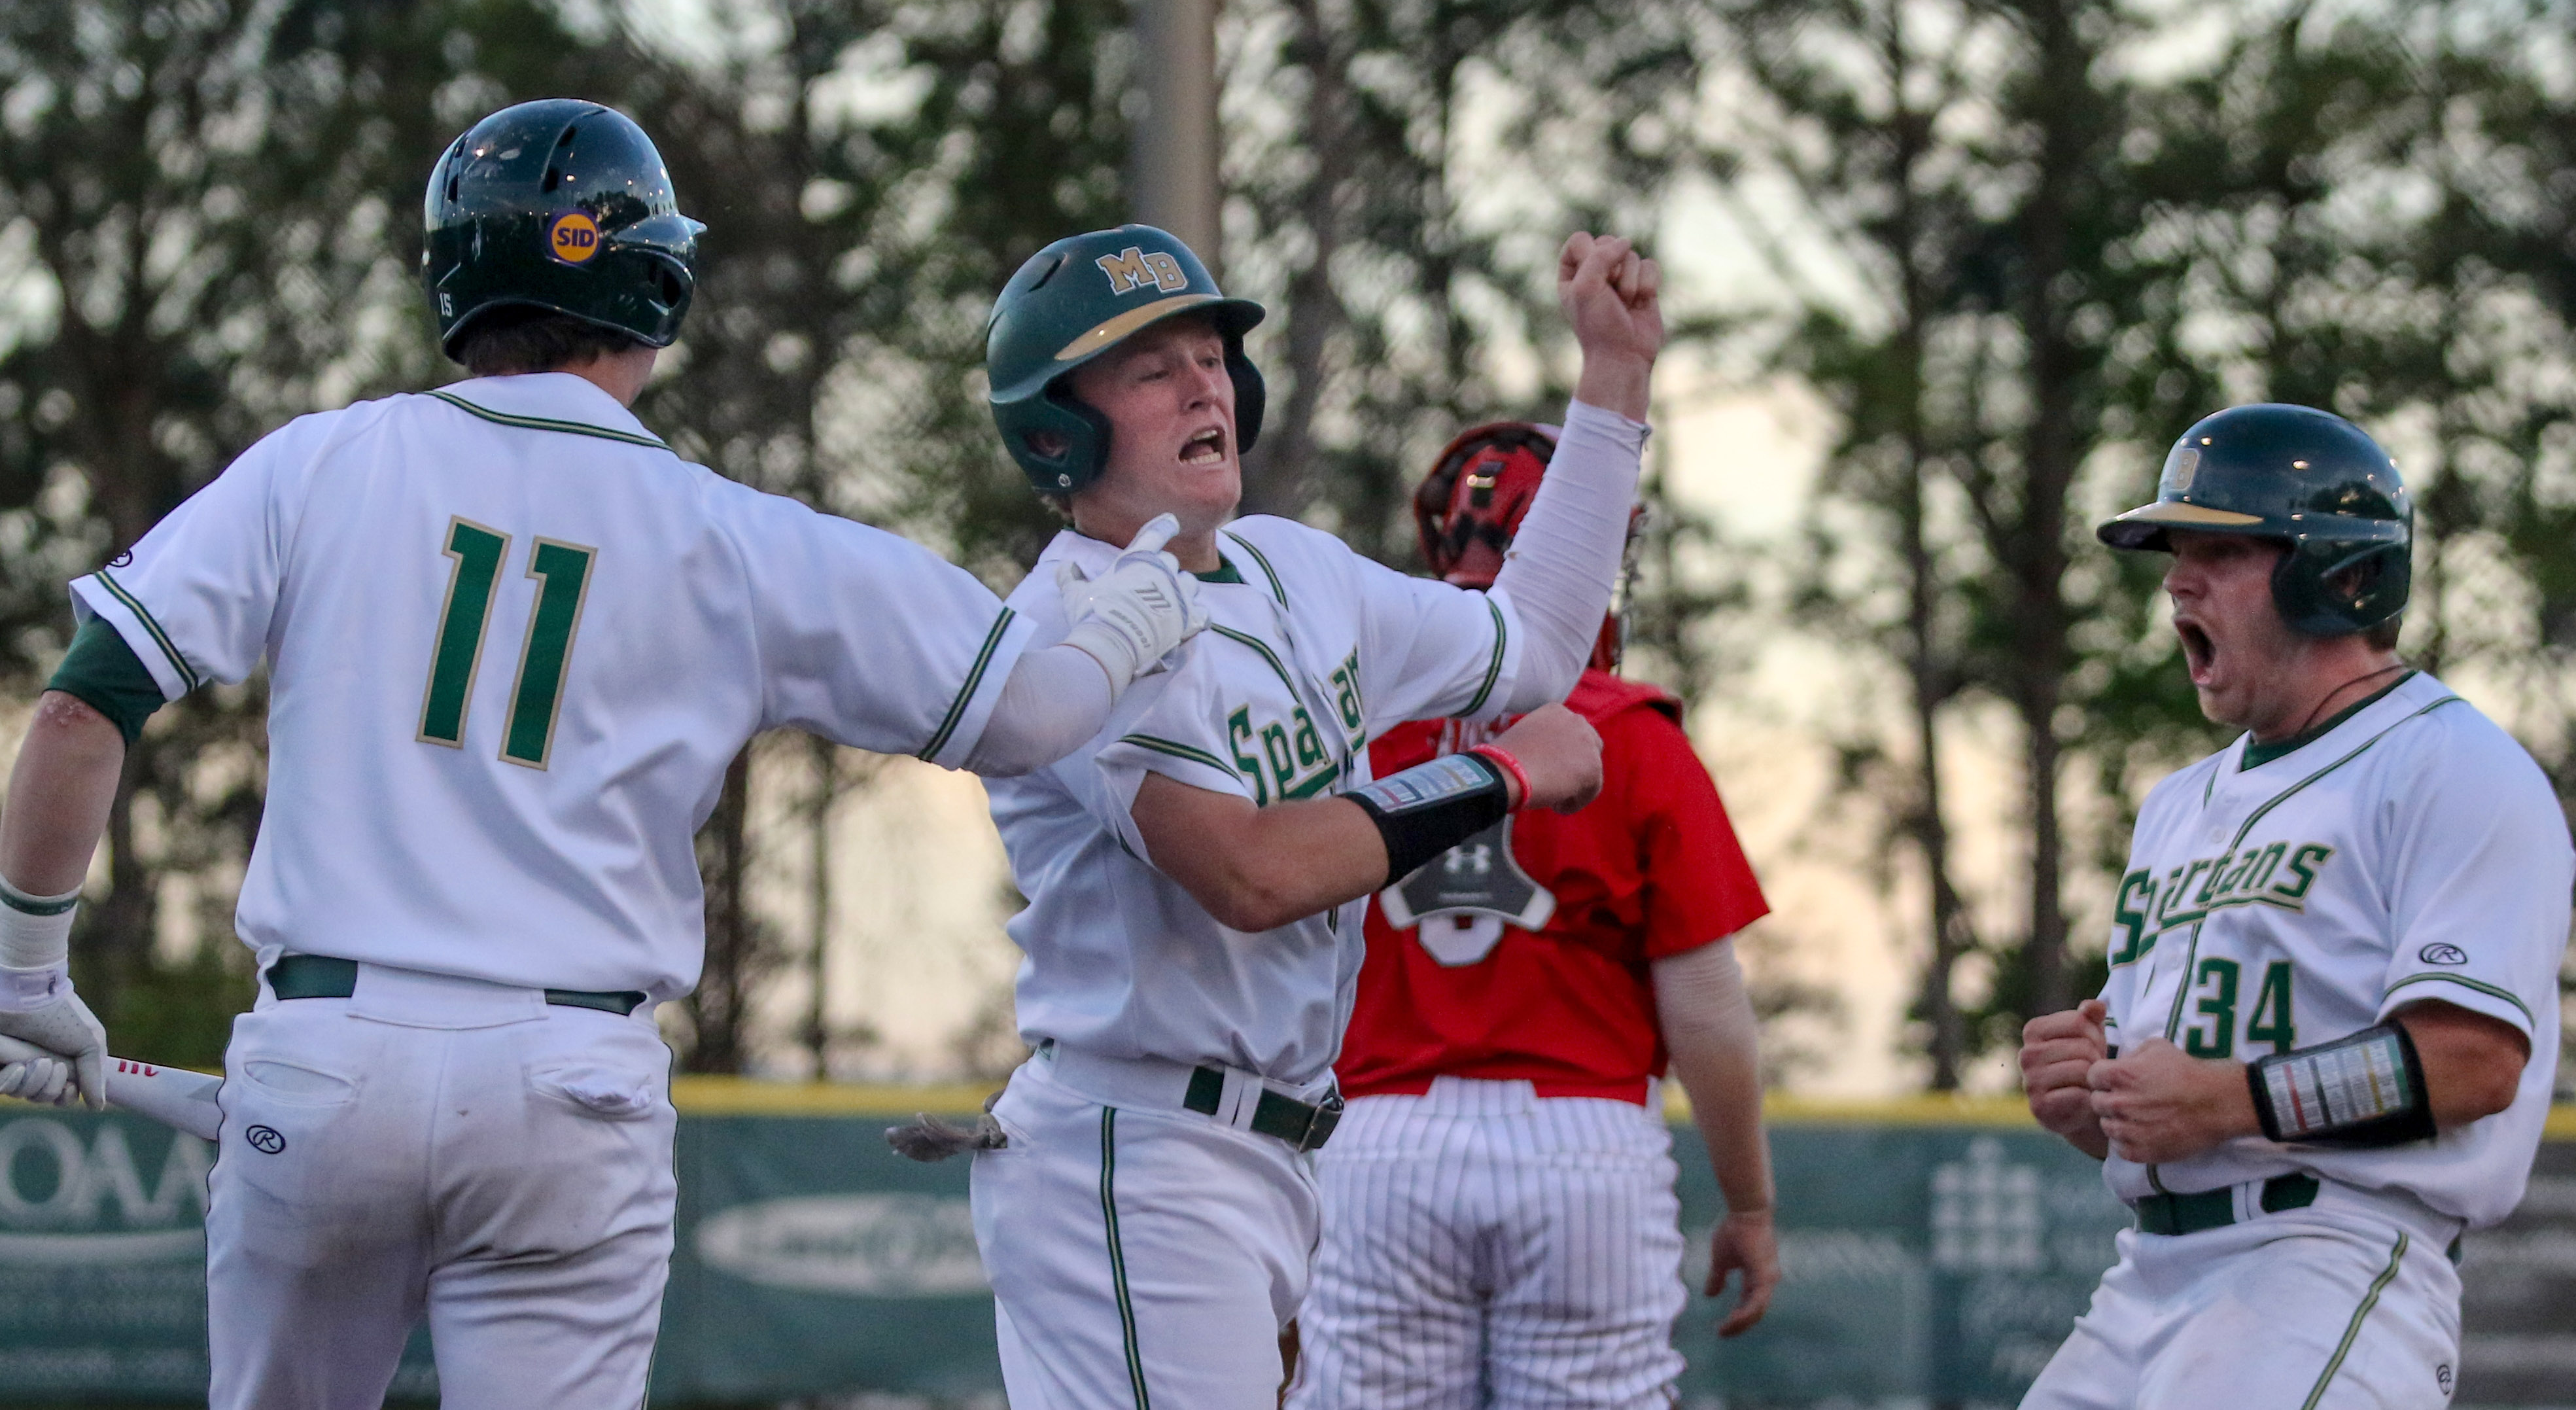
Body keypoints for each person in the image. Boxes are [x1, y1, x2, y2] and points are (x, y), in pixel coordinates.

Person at [0, 99, 1205, 1410]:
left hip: (324, 1055)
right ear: (656, 283)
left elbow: (80, 707)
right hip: (570, 1082)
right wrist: (1127, 625)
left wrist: (23, 969)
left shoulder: (322, 464)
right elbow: (1028, 717)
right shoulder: (730, 534)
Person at [960, 223, 1659, 1409]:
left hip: (1267, 1144)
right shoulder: (1074, 623)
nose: (1203, 384)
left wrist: (1611, 385)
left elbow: (1533, 647)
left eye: (1208, 353)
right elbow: (1248, 873)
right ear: (1057, 430)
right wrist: (1496, 777)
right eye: (1149, 367)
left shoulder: (1291, 569)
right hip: (1138, 1147)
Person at [2015, 403, 2571, 1410]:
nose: (2178, 580)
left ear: (2341, 573)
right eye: (2174, 551)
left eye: (2219, 550)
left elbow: (2471, 1060)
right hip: (2149, 1269)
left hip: (2328, 1257)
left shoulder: (2451, 764)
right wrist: (2096, 1096)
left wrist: (2223, 1100)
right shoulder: (2176, 803)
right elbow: (2184, 1094)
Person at [1288, 422, 1781, 1409]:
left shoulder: (1353, 722)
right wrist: (1750, 1202)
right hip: (1580, 1143)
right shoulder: (1632, 731)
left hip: (1379, 1142)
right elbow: (1706, 1007)